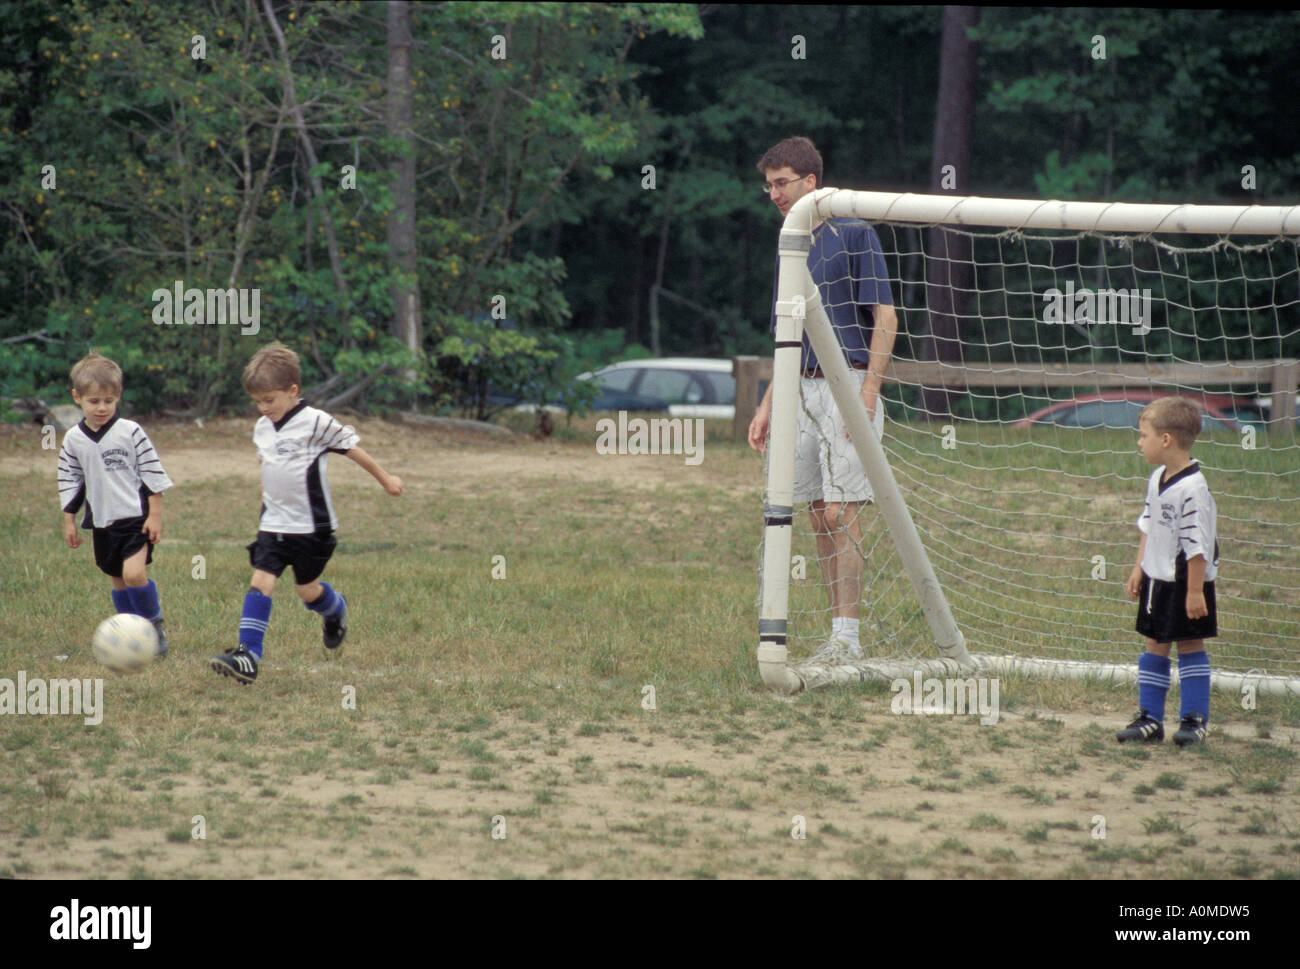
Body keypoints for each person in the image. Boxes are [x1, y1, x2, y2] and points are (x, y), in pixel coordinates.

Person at [747, 136, 899, 660]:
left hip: (849, 384)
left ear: (812, 182)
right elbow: (785, 334)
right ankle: (836, 637)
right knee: (814, 513)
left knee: (840, 512)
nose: (773, 194)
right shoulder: (789, 241)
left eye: (782, 183)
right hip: (799, 389)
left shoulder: (854, 232)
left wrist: (869, 392)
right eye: (768, 185)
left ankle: (849, 639)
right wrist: (768, 404)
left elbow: (886, 318)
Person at [211, 344, 403, 684]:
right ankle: (248, 656)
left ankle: (335, 610)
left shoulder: (315, 422)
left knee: (307, 591)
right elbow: (268, 467)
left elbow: (352, 450)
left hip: (312, 528)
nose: (263, 407)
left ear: (292, 391)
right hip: (273, 524)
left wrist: (386, 479)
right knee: (260, 581)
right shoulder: (262, 427)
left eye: (269, 399)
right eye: (257, 401)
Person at [1117, 397, 1218, 746]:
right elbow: (1148, 526)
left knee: (1190, 644)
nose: (1138, 441)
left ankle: (1193, 719)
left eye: (1143, 434)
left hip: (1186, 583)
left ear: (1166, 440)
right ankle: (1150, 719)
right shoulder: (1157, 477)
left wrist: (1193, 592)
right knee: (1154, 643)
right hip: (1156, 580)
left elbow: (1197, 547)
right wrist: (1138, 568)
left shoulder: (1194, 488)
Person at [57, 353, 173, 652]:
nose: (101, 408)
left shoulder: (131, 432)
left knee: (135, 574)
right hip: (102, 522)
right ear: (77, 397)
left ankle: (154, 626)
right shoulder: (73, 440)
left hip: (136, 517)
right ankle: (130, 634)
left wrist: (155, 514)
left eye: (108, 401)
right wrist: (69, 520)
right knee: (119, 582)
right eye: (94, 401)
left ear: (118, 397)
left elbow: (152, 472)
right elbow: (70, 480)